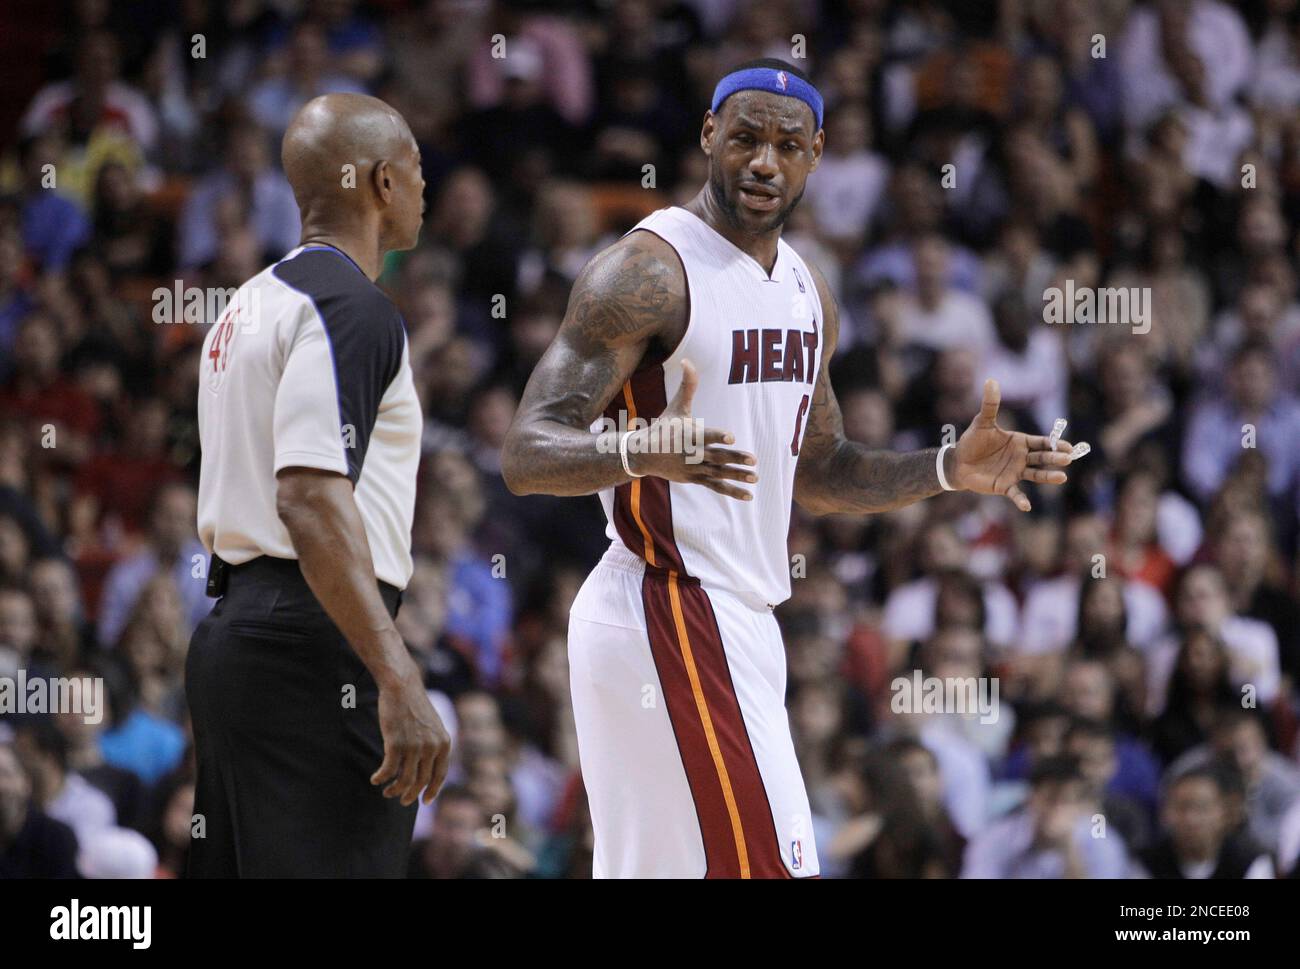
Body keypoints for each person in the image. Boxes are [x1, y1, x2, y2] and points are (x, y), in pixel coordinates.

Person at [501, 58, 1083, 879]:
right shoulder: (648, 269)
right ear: (708, 135)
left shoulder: (810, 291)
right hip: (670, 597)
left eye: (785, 145)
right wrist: (638, 449)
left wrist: (948, 466)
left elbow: (824, 468)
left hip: (732, 612)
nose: (763, 163)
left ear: (817, 152)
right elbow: (526, 453)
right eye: (743, 139)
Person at [186, 93, 451, 878]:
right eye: (417, 170)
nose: (425, 189)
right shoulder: (354, 308)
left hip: (236, 636)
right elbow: (307, 494)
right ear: (379, 183)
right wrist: (396, 672)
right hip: (314, 645)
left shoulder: (245, 305)